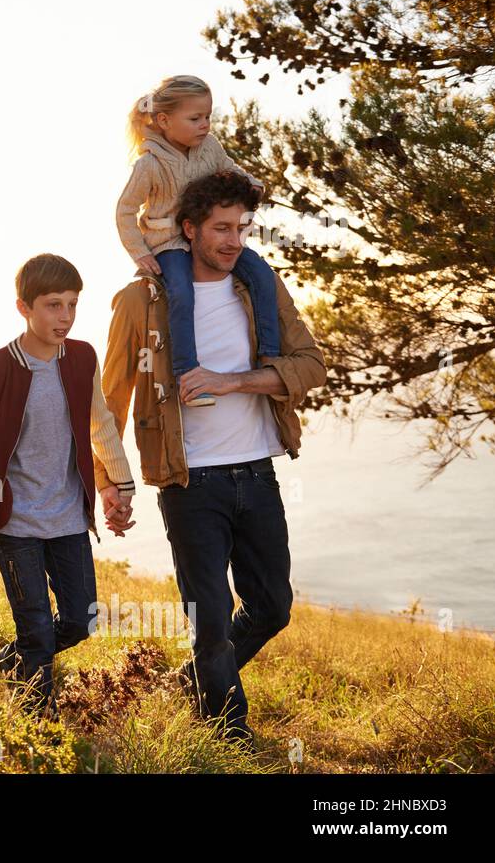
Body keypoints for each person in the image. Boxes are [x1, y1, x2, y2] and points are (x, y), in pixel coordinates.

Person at [103, 170, 326, 748]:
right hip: (188, 482)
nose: (233, 240)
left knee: (273, 607)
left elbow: (310, 365)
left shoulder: (259, 289)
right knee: (209, 617)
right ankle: (229, 732)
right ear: (189, 229)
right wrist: (111, 481)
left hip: (258, 471)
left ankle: (196, 681)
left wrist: (235, 382)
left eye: (242, 228)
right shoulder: (140, 301)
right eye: (221, 228)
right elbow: (111, 399)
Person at [0, 254, 136, 713]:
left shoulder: (82, 358)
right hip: (16, 521)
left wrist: (122, 484)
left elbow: (101, 425)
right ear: (24, 308)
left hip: (69, 517)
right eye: (54, 305)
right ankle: (40, 725)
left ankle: (16, 661)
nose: (66, 317)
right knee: (35, 625)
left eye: (72, 304)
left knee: (81, 620)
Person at [116, 74, 280, 406]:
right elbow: (125, 211)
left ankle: (270, 357)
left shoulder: (210, 146)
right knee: (180, 293)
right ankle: (188, 375)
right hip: (170, 243)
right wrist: (140, 253)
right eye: (195, 118)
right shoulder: (149, 164)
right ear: (164, 120)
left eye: (208, 116)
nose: (204, 124)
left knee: (263, 276)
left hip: (209, 238)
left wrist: (251, 182)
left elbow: (230, 169)